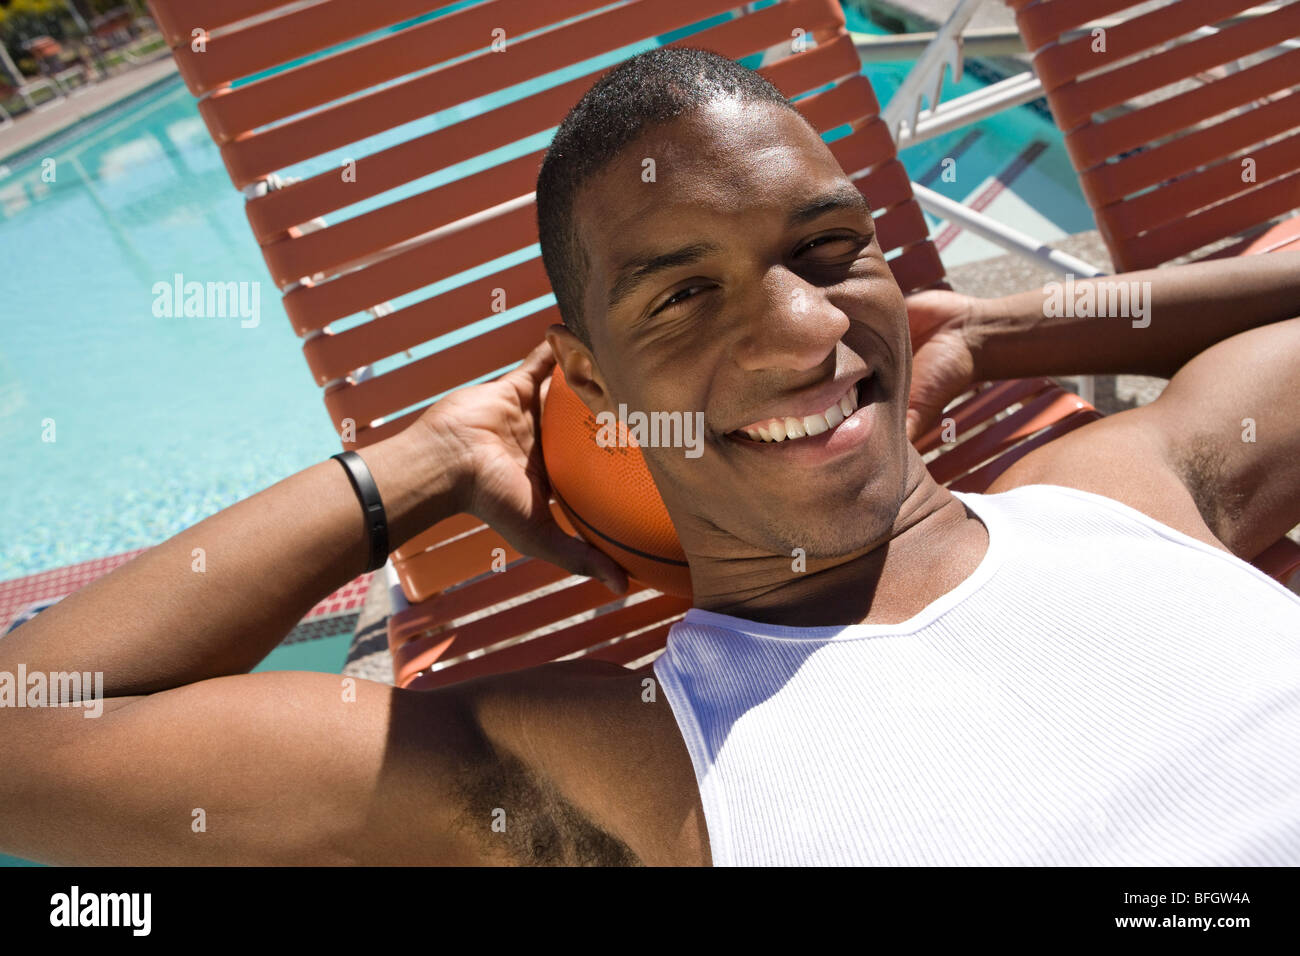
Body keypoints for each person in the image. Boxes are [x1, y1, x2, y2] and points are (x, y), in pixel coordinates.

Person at [3, 48, 1299, 866]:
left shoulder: (1130, 487)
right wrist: (425, 462)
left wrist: (1003, 328)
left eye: (829, 248)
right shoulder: (618, 771)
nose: (802, 330)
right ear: (587, 378)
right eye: (680, 296)